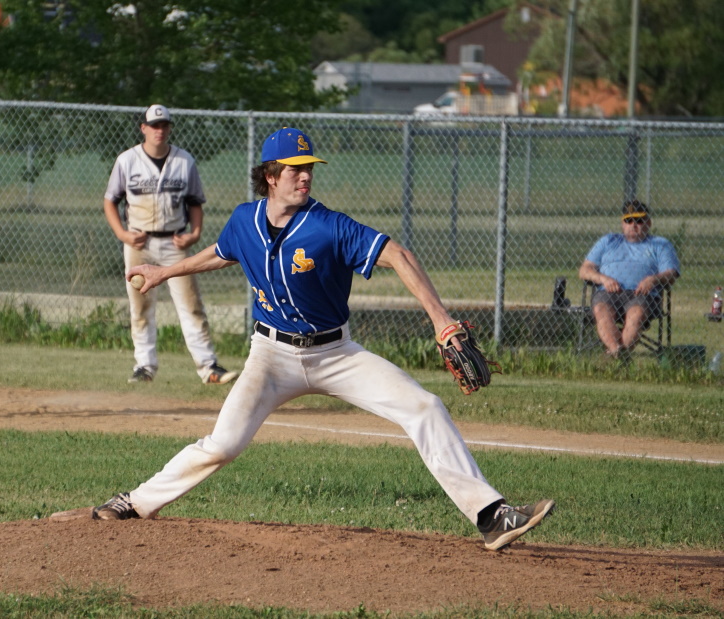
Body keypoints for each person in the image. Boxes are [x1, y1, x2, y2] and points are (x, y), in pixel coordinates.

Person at [90, 127, 554, 551]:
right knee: (223, 444)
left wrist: (441, 320)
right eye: (296, 169)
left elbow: (399, 254)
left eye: (310, 168)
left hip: (337, 354)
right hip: (270, 357)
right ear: (271, 176)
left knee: (425, 407)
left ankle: (493, 515)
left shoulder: (330, 225)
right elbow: (221, 252)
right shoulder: (244, 220)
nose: (306, 176)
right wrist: (164, 271)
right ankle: (135, 501)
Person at [102, 103, 237, 385]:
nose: (159, 130)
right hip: (139, 243)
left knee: (191, 305)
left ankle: (208, 366)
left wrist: (195, 233)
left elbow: (195, 203)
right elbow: (110, 201)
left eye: (164, 125)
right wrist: (123, 235)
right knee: (140, 306)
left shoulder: (183, 160)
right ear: (144, 128)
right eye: (154, 125)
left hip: (175, 243)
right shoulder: (127, 160)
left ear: (169, 128)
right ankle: (144, 366)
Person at [578, 200, 679, 358]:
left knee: (636, 314)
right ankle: (618, 353)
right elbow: (584, 270)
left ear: (649, 223)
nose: (634, 225)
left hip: (642, 294)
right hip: (608, 292)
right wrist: (603, 279)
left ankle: (613, 357)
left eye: (639, 220)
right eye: (628, 220)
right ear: (622, 223)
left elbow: (671, 274)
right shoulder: (608, 241)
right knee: (600, 309)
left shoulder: (660, 245)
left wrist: (653, 279)